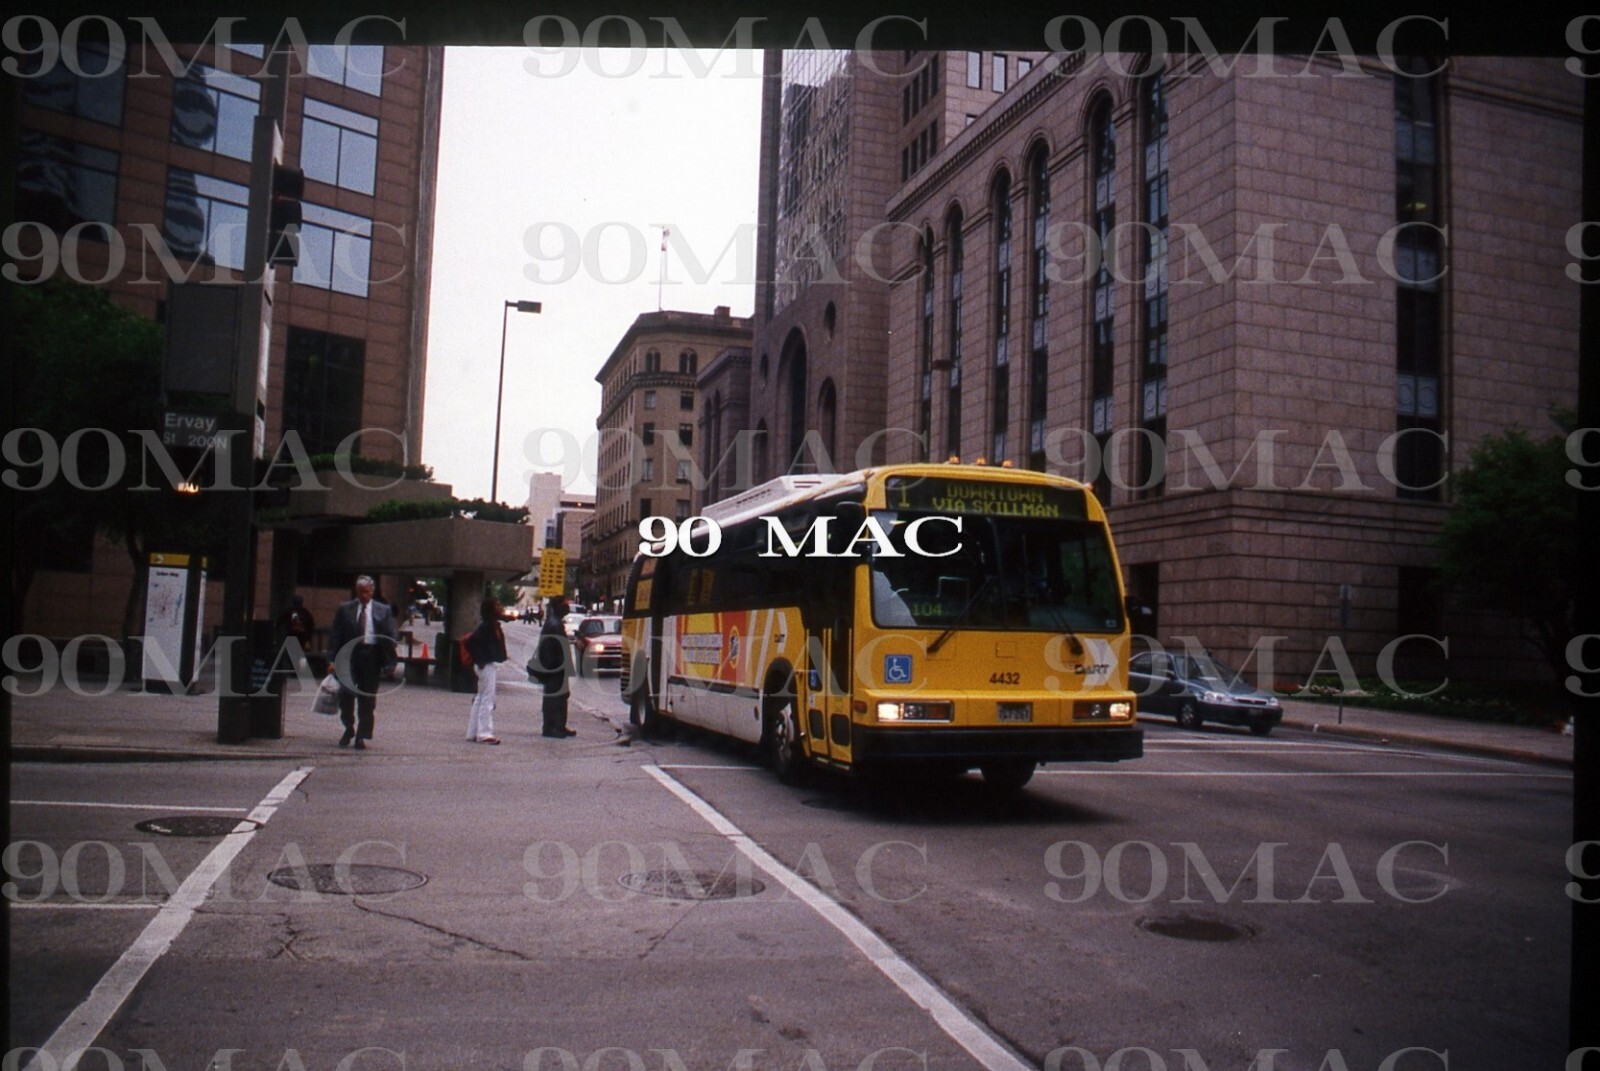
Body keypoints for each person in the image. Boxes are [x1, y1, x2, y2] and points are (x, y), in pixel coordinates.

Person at [327, 575, 399, 750]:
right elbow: (336, 636)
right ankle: (348, 727)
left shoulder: (383, 610)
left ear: (372, 591)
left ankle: (362, 734)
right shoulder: (345, 609)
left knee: (367, 699)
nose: (363, 596)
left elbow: (391, 635)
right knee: (345, 695)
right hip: (349, 656)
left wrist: (390, 661)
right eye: (360, 592)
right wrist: (331, 660)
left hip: (371, 657)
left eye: (366, 592)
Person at [466, 597, 508, 745]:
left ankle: (473, 731)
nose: (500, 608)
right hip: (486, 664)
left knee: (481, 697)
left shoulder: (491, 624)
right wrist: (481, 659)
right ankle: (484, 733)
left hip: (487, 663)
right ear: (491, 609)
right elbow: (471, 642)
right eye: (497, 605)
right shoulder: (487, 626)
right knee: (487, 699)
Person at [532, 596, 576, 738]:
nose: (568, 606)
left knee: (560, 696)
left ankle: (559, 725)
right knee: (555, 697)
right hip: (555, 667)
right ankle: (552, 728)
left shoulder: (555, 622)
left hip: (556, 666)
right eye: (565, 604)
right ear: (558, 606)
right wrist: (556, 666)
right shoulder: (554, 624)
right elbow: (552, 647)